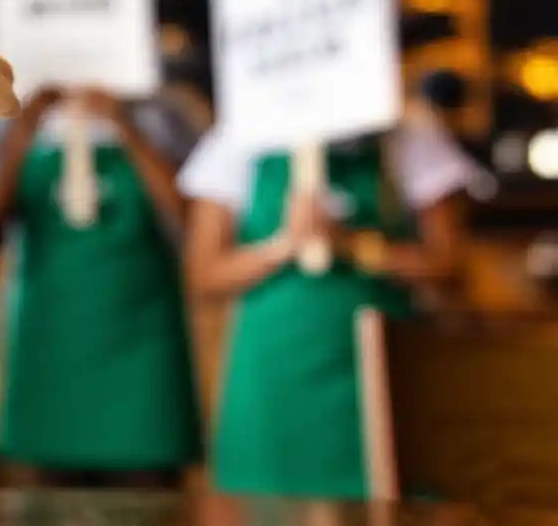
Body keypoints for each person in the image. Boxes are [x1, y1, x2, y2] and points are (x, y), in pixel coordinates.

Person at [180, 113, 471, 499]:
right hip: (273, 375)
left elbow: (449, 265)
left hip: (380, 371)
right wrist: (285, 243)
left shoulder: (406, 135)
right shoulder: (238, 137)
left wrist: (351, 245)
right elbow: (203, 275)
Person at [0, 86, 201, 486]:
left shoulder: (163, 113)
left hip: (141, 339)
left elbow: (187, 217)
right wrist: (23, 130)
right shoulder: (15, 120)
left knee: (151, 504)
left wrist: (125, 126)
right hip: (49, 338)